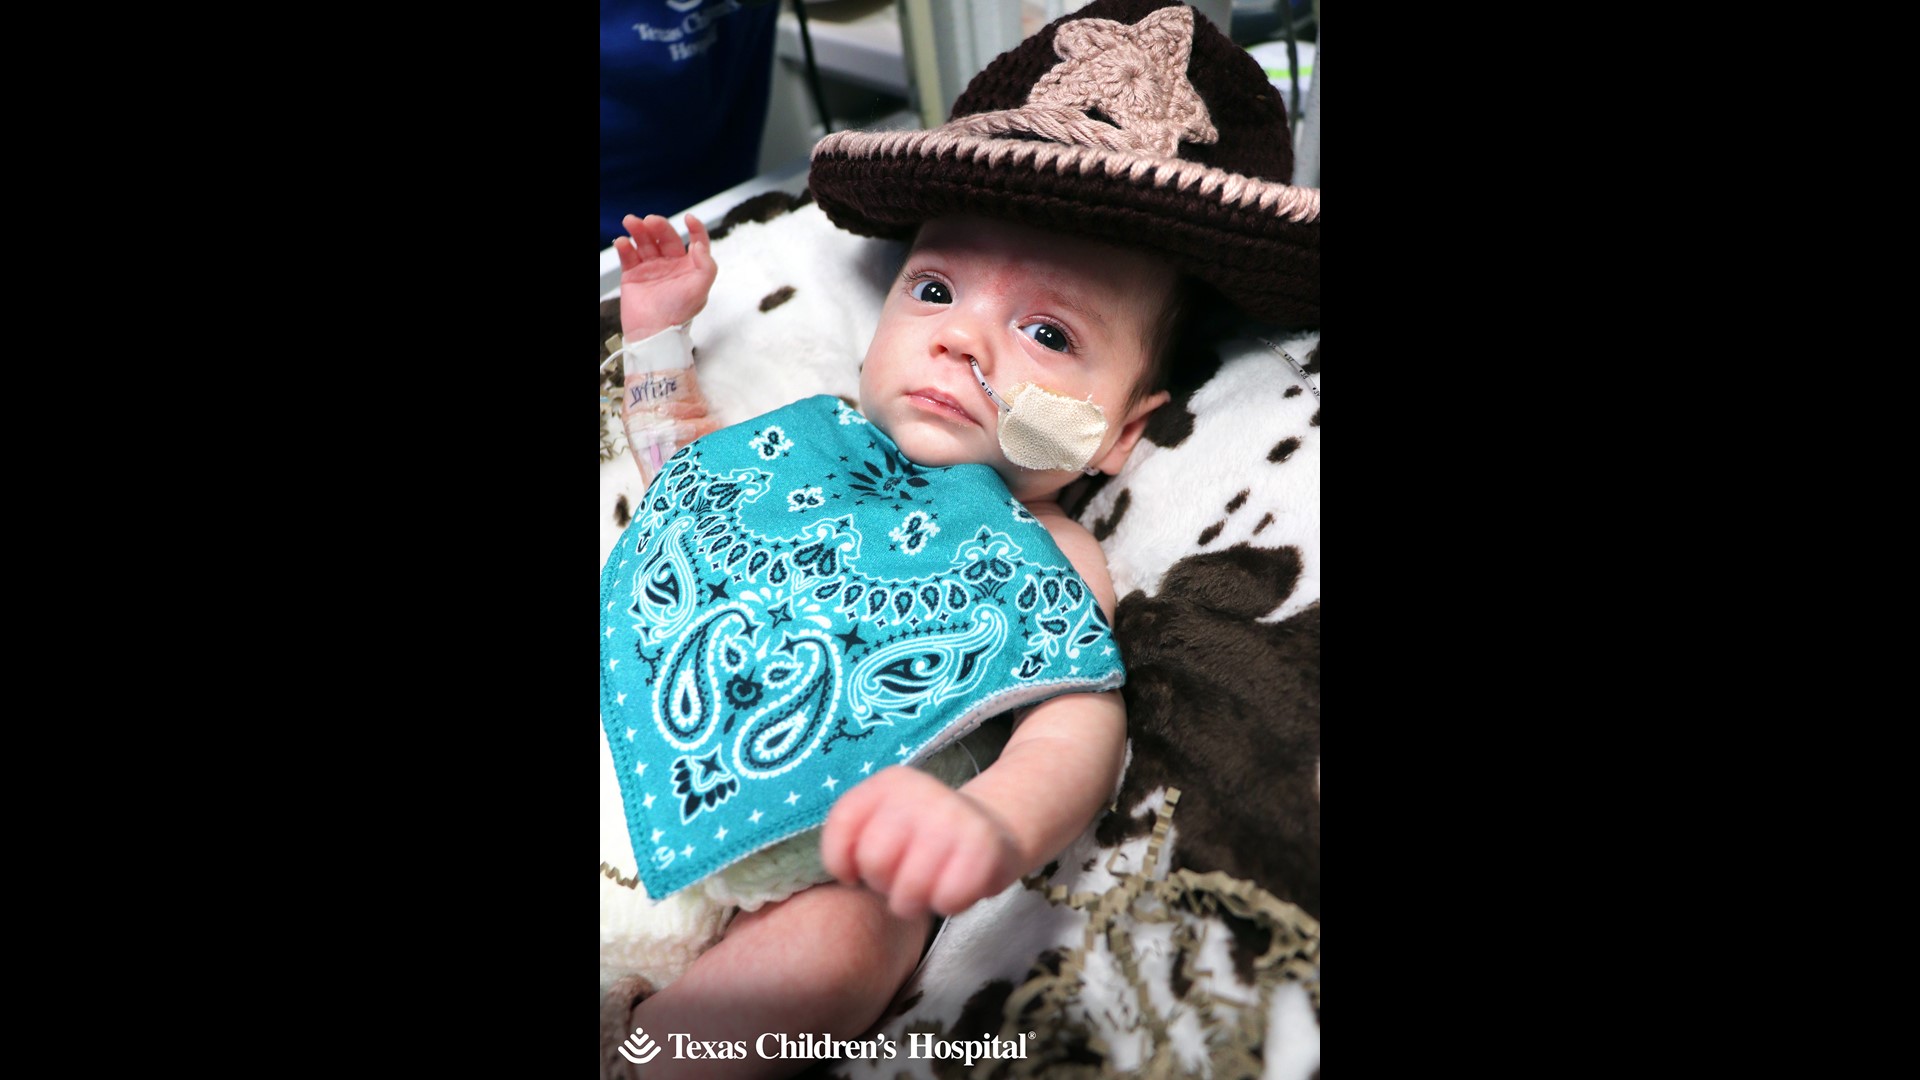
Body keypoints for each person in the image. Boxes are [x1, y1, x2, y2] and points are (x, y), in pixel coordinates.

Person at [600, 3, 1319, 1077]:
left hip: (821, 864)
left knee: (852, 939)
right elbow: (684, 469)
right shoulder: (816, 437)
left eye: (1047, 332)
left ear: (1122, 432)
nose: (961, 335)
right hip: (633, 762)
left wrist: (989, 827)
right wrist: (660, 328)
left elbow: (1074, 722)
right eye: (933, 289)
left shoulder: (1046, 544)